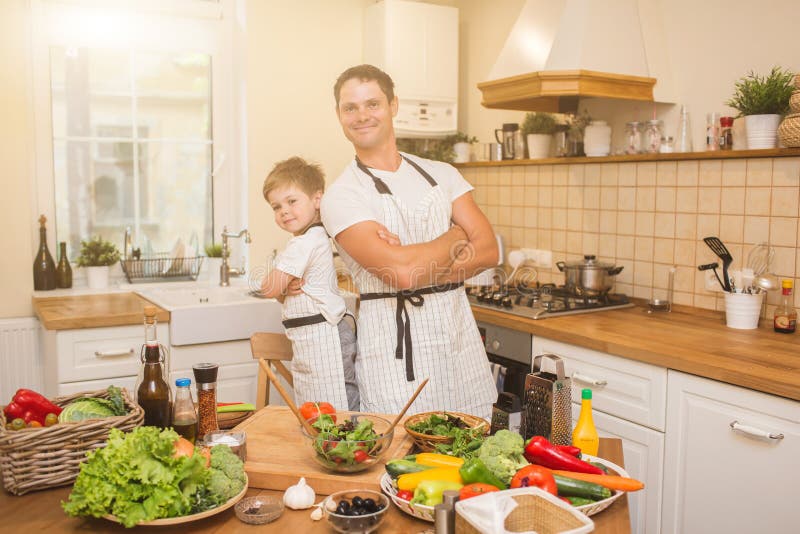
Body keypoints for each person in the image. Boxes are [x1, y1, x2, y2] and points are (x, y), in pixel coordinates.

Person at [320, 64, 498, 420]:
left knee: (475, 447)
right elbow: (401, 274)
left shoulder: (442, 174)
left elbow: (489, 250)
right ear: (339, 115)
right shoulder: (342, 195)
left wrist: (416, 268)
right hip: (394, 356)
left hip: (458, 347)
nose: (361, 116)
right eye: (350, 107)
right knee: (401, 451)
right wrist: (457, 234)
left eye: (372, 104)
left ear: (393, 105)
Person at [261, 157, 359, 411]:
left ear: (317, 200)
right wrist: (283, 290)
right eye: (276, 206)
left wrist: (278, 287)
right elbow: (279, 292)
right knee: (322, 408)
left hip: (325, 337)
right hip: (314, 338)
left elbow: (268, 288)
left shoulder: (305, 242)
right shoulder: (308, 239)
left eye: (292, 201)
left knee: (337, 409)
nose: (283, 211)